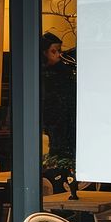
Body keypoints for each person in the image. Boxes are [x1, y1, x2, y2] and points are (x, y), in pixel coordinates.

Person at [40, 31, 76, 163]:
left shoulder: (64, 72)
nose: (59, 55)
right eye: (53, 51)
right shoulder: (45, 76)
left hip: (63, 122)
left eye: (59, 51)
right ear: (44, 53)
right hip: (54, 123)